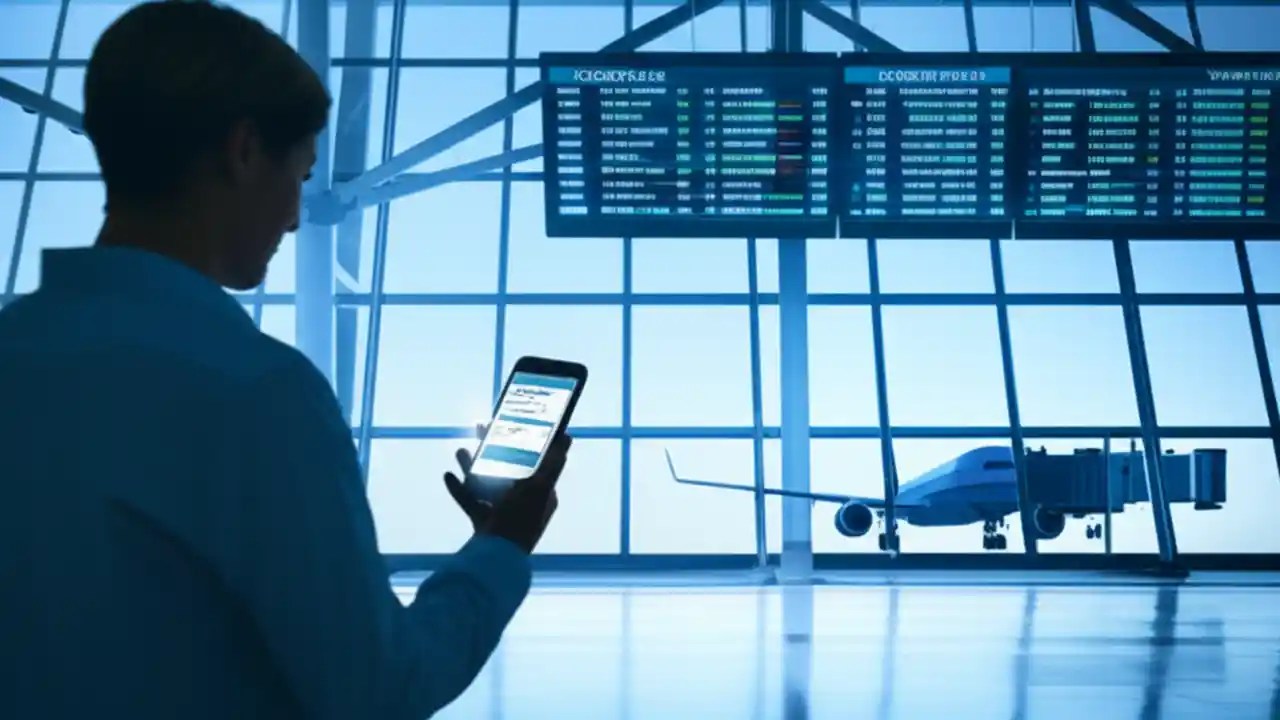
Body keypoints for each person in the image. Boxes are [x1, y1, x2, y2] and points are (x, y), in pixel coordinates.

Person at [0, 2, 569, 718]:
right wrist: (501, 547)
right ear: (243, 151)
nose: (299, 216)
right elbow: (378, 688)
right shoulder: (258, 394)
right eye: (298, 176)